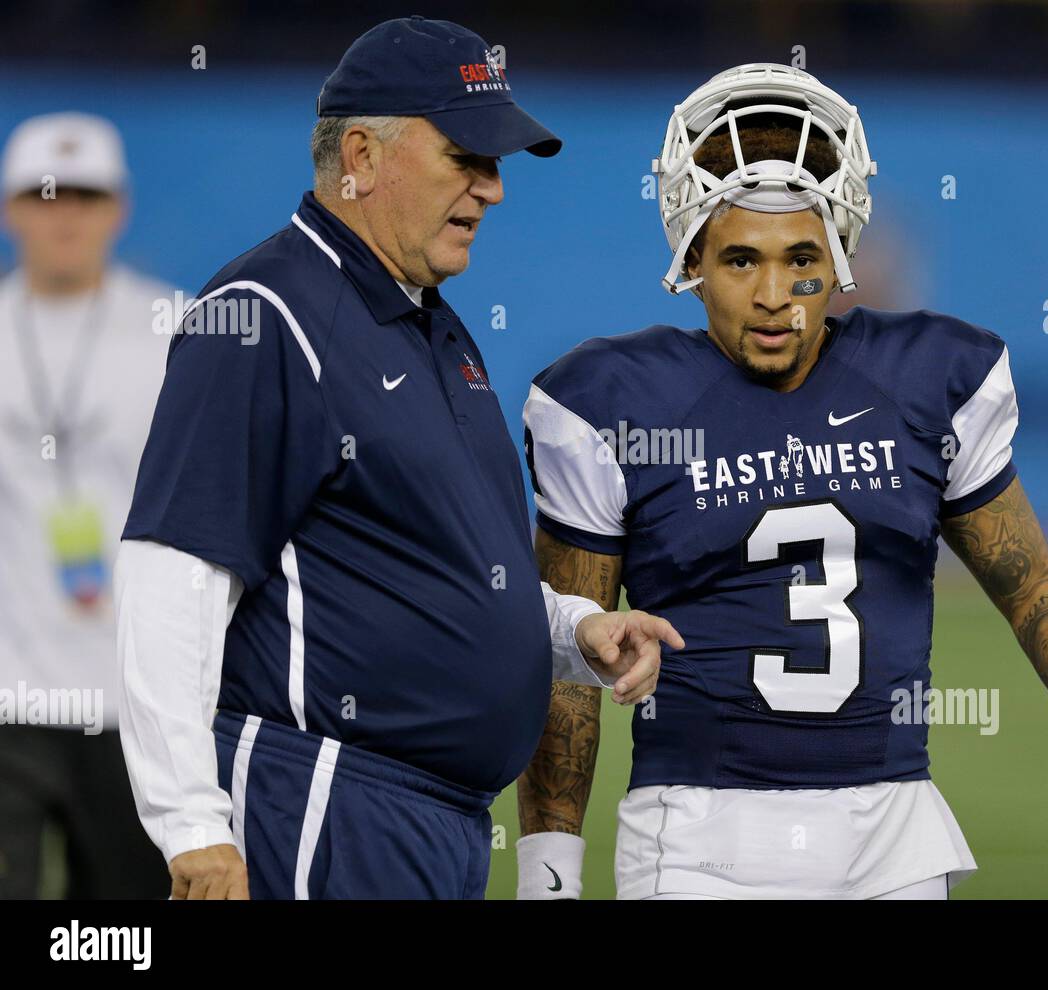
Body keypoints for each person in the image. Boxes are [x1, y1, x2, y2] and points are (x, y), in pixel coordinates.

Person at [516, 63, 1048, 900]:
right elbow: (567, 671)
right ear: (693, 257)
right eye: (741, 260)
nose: (776, 295)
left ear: (840, 252)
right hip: (699, 842)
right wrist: (547, 877)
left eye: (802, 259)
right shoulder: (613, 404)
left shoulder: (925, 378)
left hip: (895, 838)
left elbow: (1029, 583)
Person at [114, 16, 680, 901]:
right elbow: (172, 571)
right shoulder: (266, 317)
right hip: (323, 808)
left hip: (430, 825)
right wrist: (189, 823)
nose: (492, 190)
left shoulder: (432, 327)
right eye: (467, 157)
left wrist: (572, 633)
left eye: (495, 166)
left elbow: (435, 568)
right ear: (362, 158)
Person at [0, 111, 173, 898]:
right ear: (11, 209)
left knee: (120, 933)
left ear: (119, 208)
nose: (62, 212)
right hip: (8, 695)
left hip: (134, 700)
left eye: (84, 194)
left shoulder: (177, 331)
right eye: (44, 194)